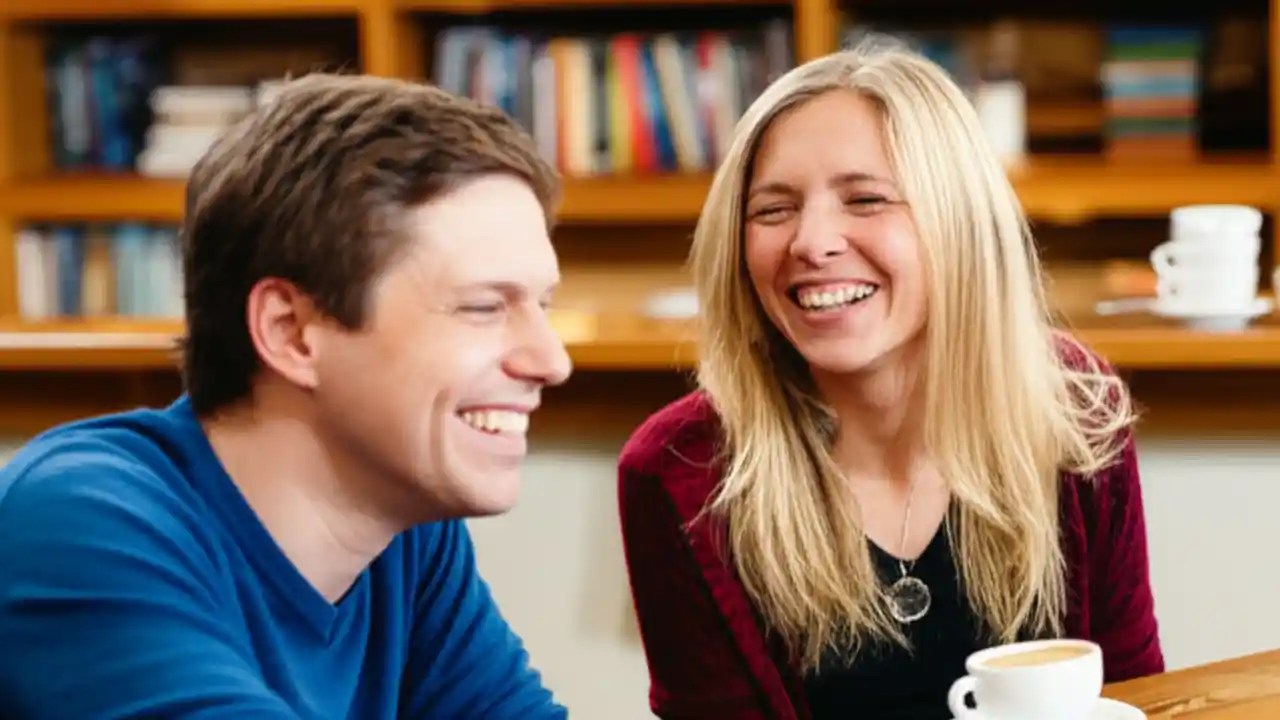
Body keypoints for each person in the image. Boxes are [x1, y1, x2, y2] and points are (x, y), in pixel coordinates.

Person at [617, 40, 1164, 720]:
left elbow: (1131, 695)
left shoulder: (1076, 409)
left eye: (866, 199)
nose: (812, 242)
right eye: (773, 210)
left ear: (958, 223)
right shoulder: (677, 469)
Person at [0, 73, 572, 719]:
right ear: (291, 332)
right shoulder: (79, 524)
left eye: (543, 306)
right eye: (484, 307)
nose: (552, 362)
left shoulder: (409, 540)